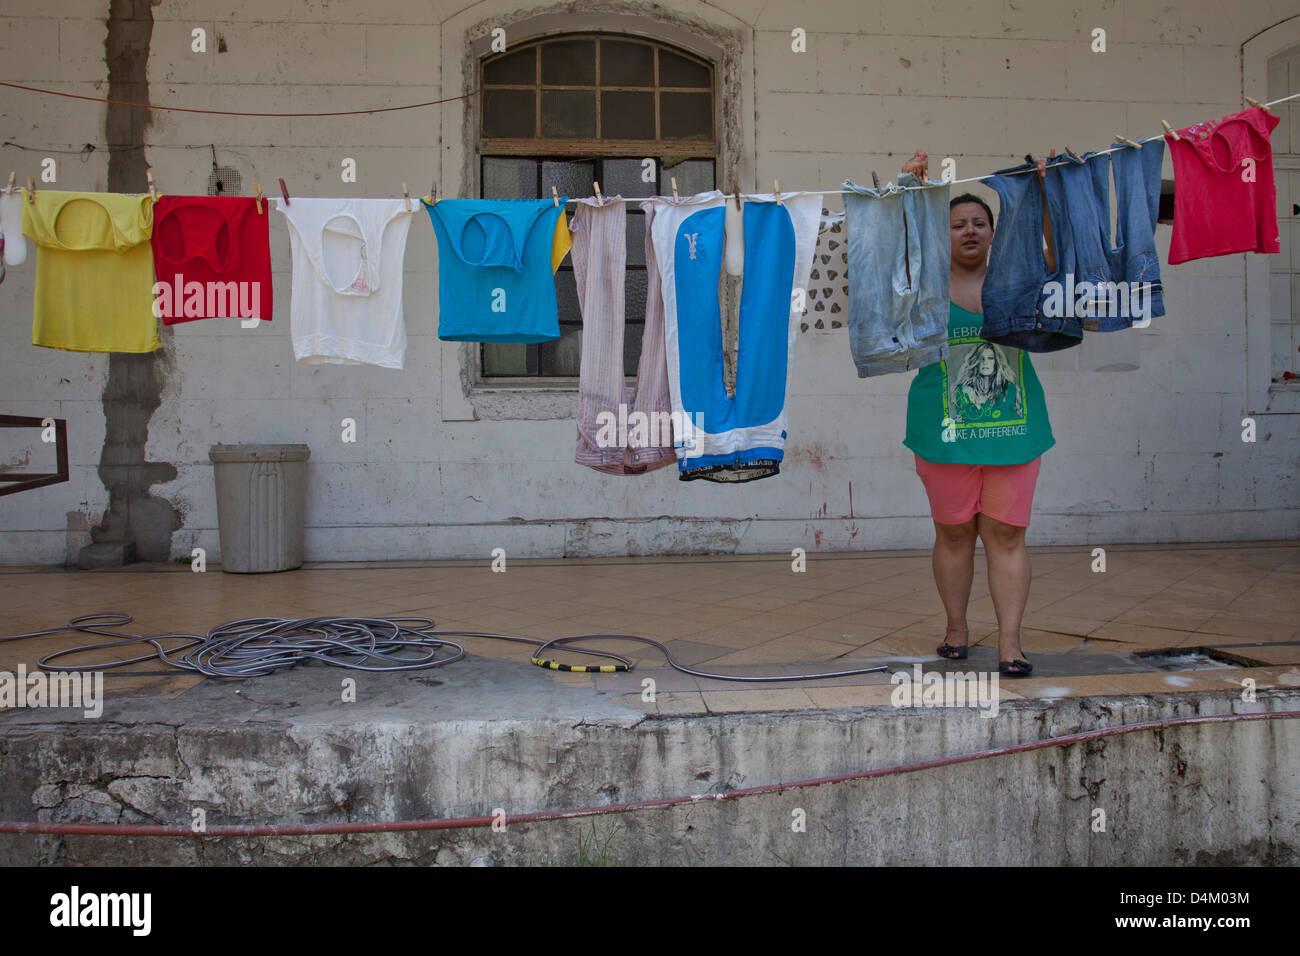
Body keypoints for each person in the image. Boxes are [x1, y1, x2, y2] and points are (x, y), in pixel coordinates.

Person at [899, 149, 1057, 676]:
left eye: (979, 223)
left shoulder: (1015, 277)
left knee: (1007, 535)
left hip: (1014, 431)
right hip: (943, 433)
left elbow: (1060, 262)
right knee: (954, 532)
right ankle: (956, 628)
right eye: (957, 224)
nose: (969, 231)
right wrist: (917, 194)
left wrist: (1044, 192)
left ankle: (1010, 642)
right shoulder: (921, 283)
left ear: (994, 231)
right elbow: (898, 248)